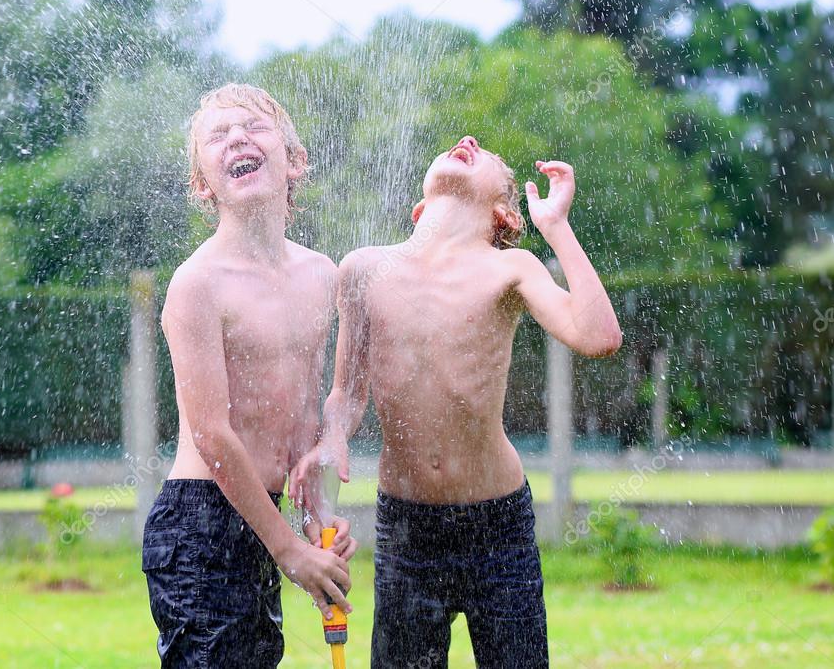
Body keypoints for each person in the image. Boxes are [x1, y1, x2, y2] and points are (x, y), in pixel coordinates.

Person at [290, 136, 622, 668]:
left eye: (487, 153)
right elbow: (346, 395)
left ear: (504, 215)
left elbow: (599, 335)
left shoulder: (511, 268)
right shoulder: (363, 269)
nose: (466, 142)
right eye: (460, 143)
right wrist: (330, 438)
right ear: (419, 207)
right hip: (407, 529)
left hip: (499, 524)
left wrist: (556, 228)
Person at [142, 83, 357, 668]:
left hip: (264, 513)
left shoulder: (321, 274)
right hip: (201, 524)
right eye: (218, 135)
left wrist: (316, 519)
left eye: (255, 128)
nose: (237, 136)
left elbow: (301, 419)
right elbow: (210, 434)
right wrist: (289, 550)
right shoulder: (198, 284)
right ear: (201, 184)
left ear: (295, 160)